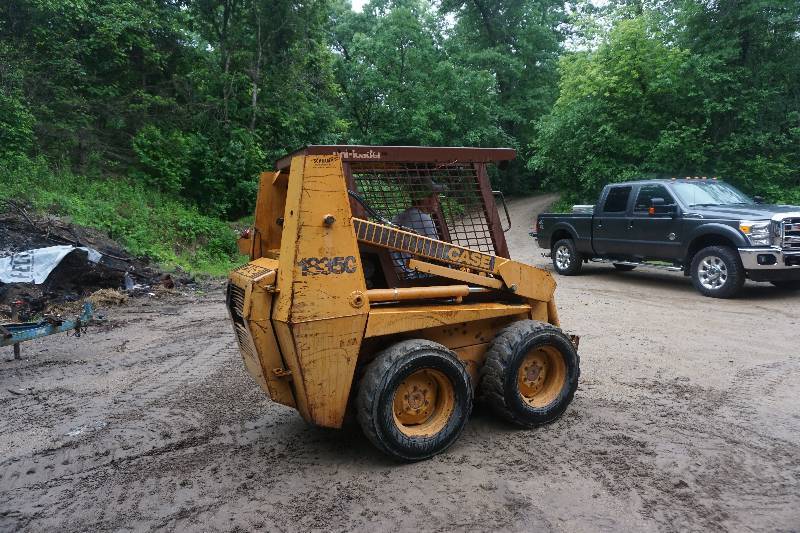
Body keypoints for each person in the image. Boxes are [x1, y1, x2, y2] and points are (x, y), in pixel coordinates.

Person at [391, 179, 445, 279]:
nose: (438, 200)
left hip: (397, 272)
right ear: (425, 198)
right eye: (435, 196)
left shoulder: (403, 215)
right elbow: (437, 254)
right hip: (411, 275)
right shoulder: (423, 219)